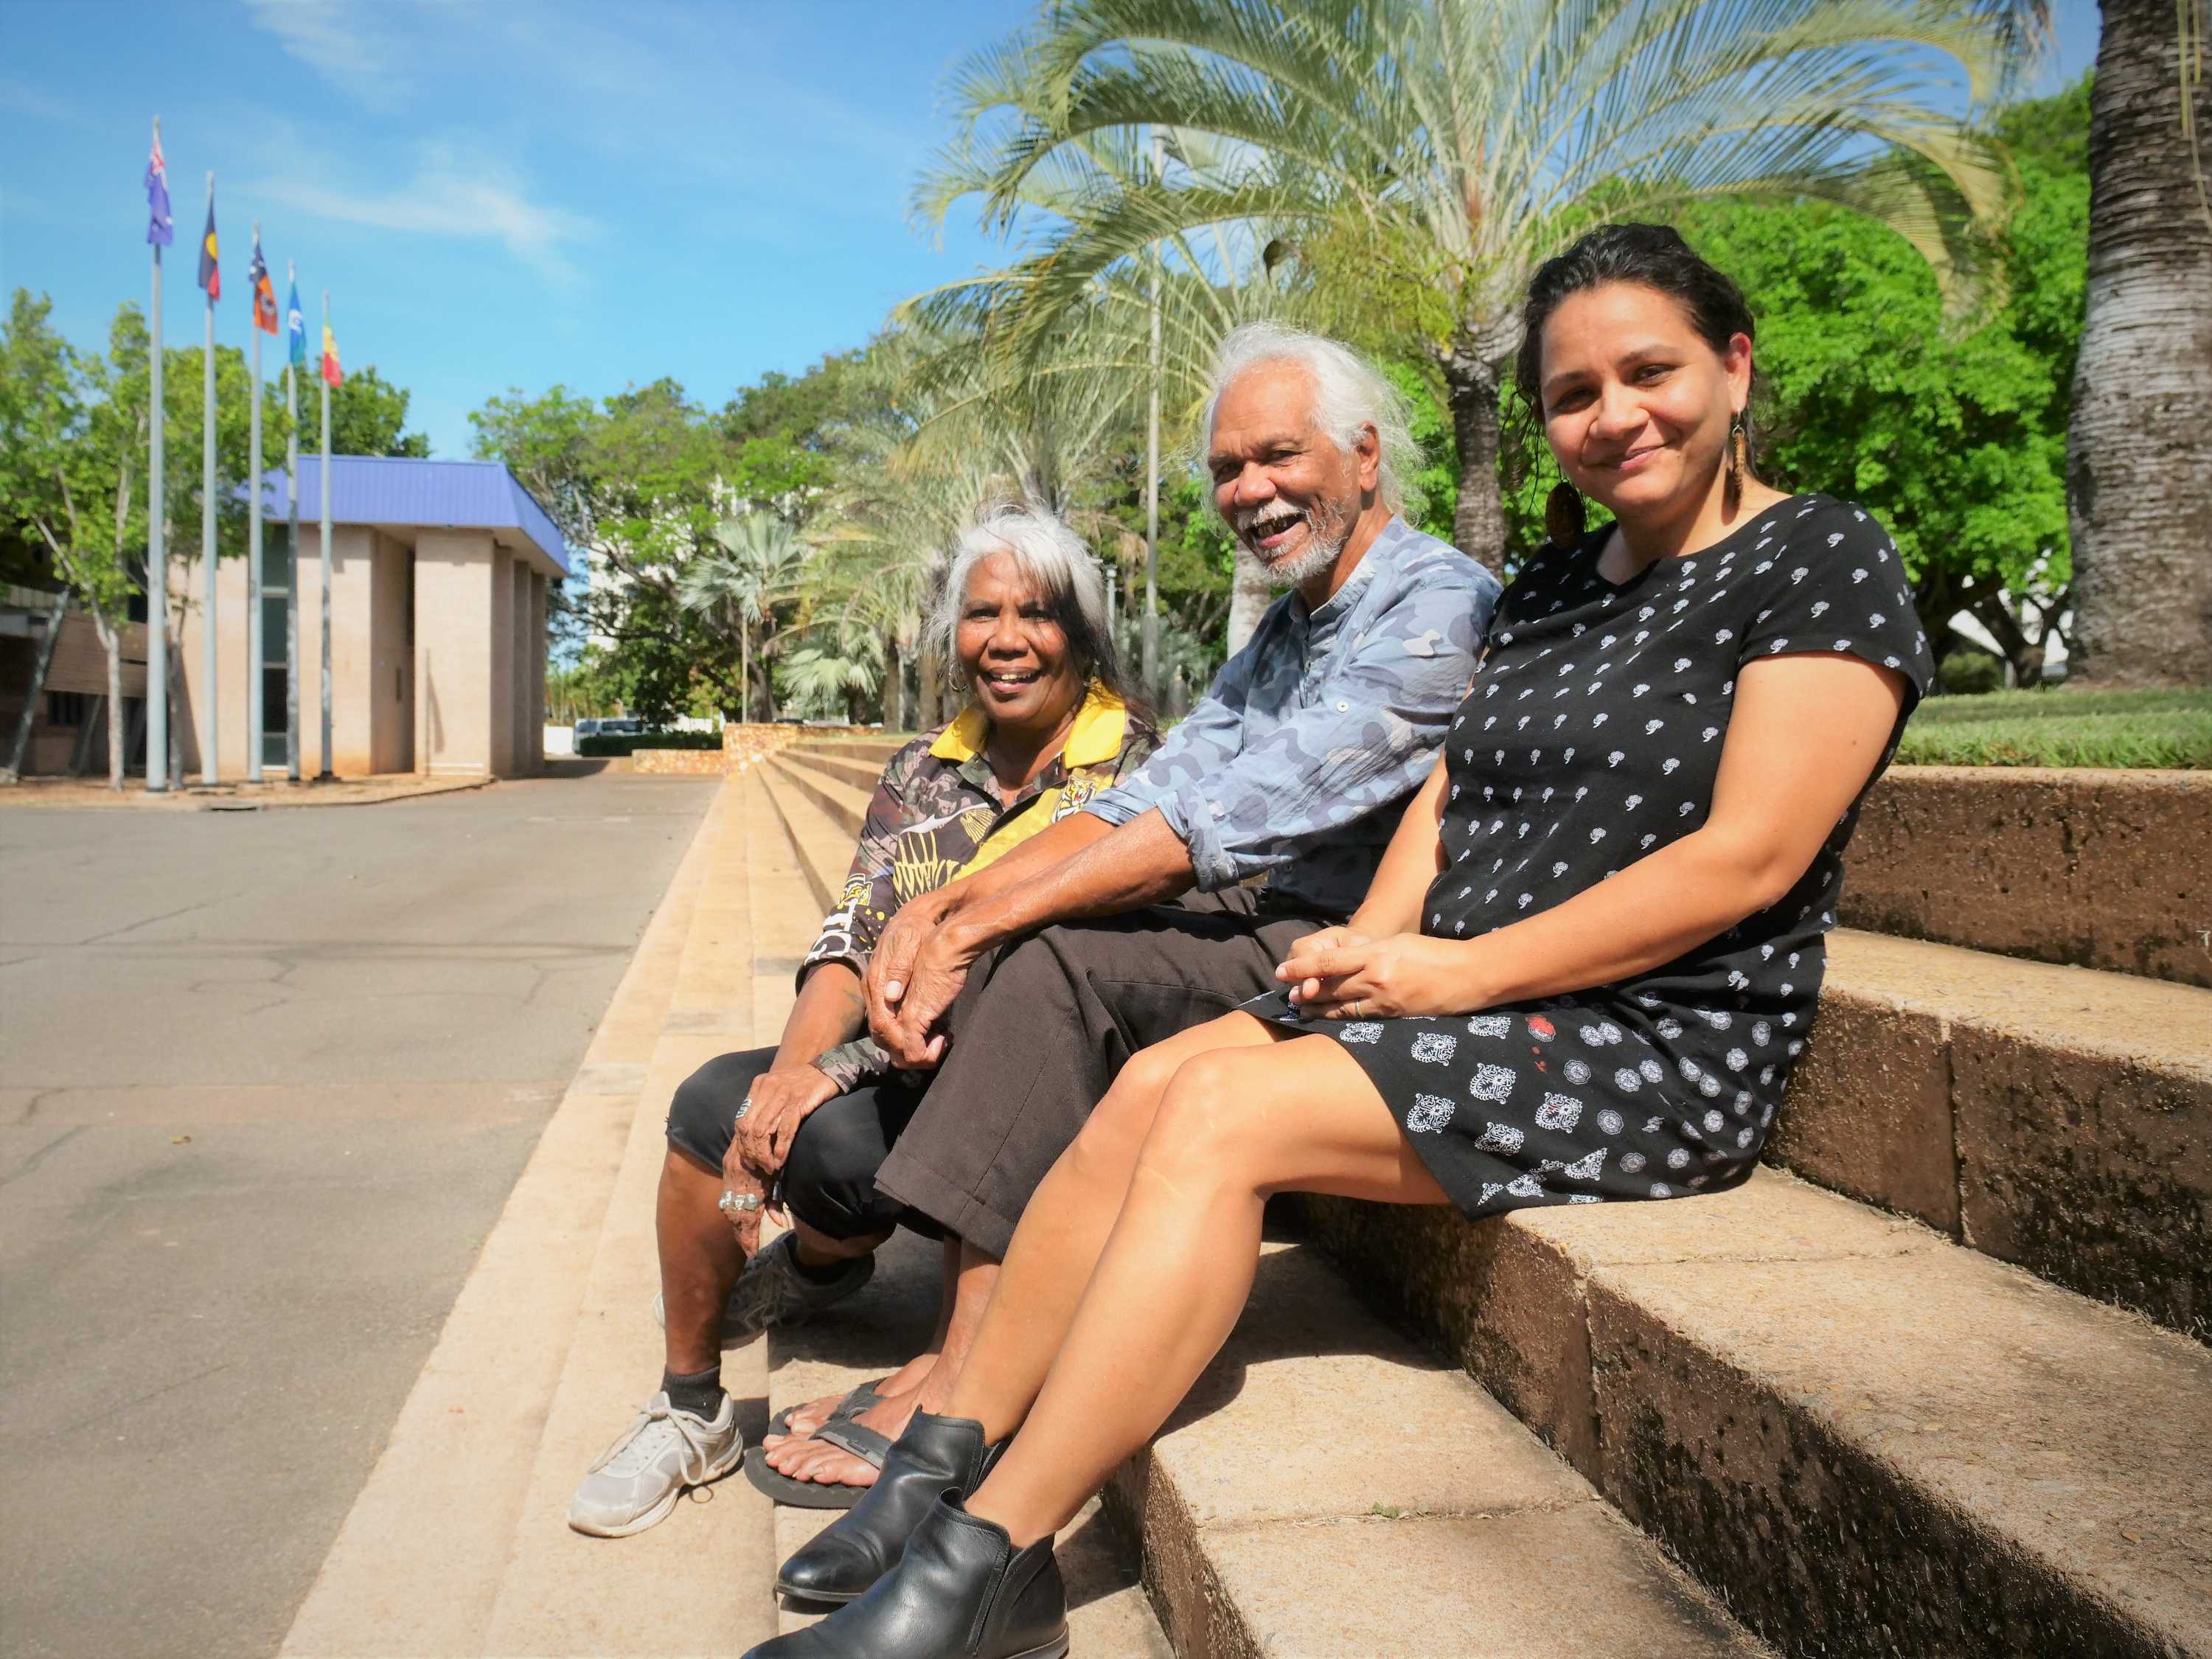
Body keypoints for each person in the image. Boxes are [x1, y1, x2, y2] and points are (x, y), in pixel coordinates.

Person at [743, 221, 1935, 1658]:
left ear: (1734, 366)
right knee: (1149, 1088)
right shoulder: (1555, 586)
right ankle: (945, 1459)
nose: (1612, 416)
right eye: (1573, 393)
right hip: (1457, 993)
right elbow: (1451, 787)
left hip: (1644, 1033)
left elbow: (1748, 858)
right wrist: (1368, 949)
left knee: (1214, 1116)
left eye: (1650, 372)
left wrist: (1460, 970)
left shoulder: (1822, 558)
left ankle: (981, 1560)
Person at [753, 324, 1500, 1522]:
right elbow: (1155, 792)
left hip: (1330, 939)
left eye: (1276, 456)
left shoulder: (1436, 606)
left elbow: (1232, 814)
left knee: (1049, 958)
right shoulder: (1287, 628)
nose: (1248, 491)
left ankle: (964, 1379)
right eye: (1226, 468)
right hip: (1253, 911)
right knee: (1014, 936)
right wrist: (953, 903)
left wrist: (971, 917)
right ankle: (964, 1351)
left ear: (1365, 456)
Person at [567, 505, 1157, 1537]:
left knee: (835, 1123)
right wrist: (785, 1078)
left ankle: (907, 1341)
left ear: (1084, 630)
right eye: (982, 612)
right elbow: (848, 943)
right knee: (714, 1103)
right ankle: (693, 1402)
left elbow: (1023, 987)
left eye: (1037, 611)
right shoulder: (920, 772)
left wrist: (826, 1077)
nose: (1007, 637)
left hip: (1039, 1093)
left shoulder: (1133, 767)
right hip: (899, 1071)